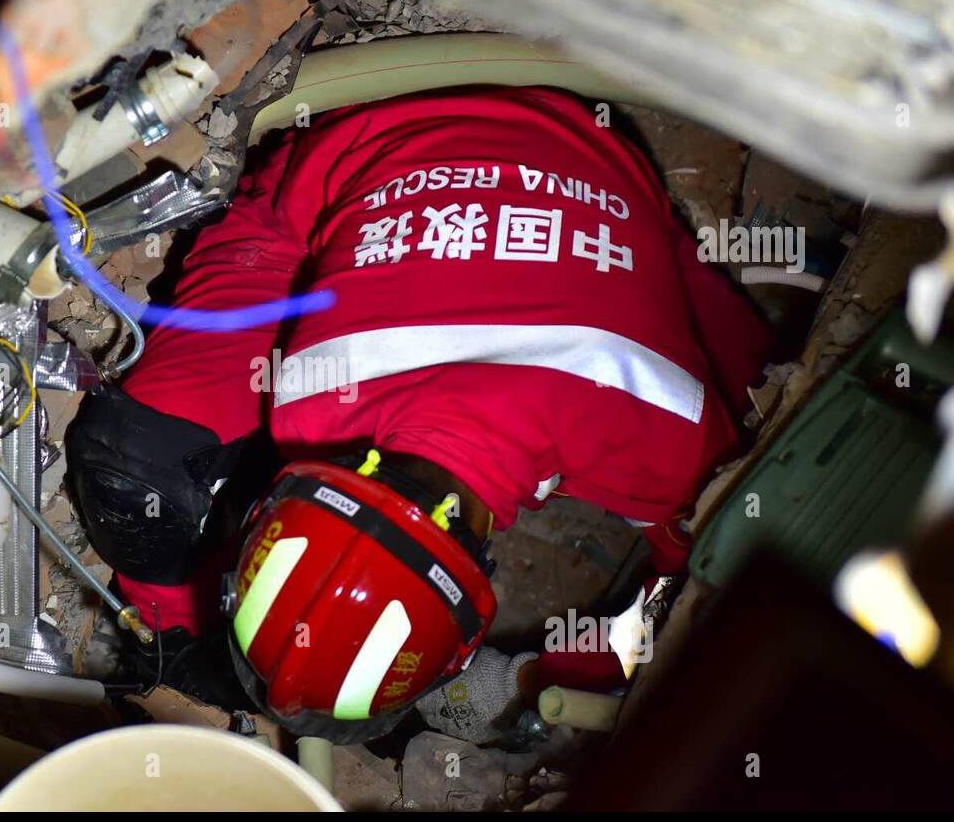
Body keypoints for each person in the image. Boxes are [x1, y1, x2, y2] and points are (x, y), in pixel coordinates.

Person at [66, 85, 772, 742]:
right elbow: (676, 609)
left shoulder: (678, 445)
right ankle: (168, 630)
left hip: (602, 167)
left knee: (754, 400)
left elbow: (685, 611)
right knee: (139, 477)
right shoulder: (310, 406)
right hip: (371, 149)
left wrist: (534, 680)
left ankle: (167, 632)